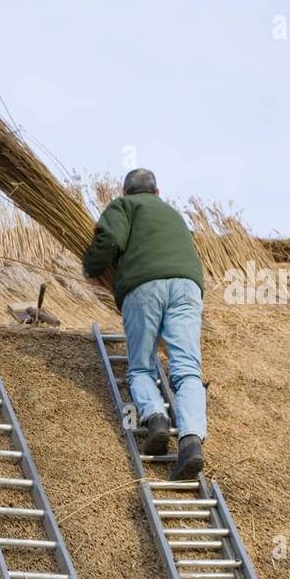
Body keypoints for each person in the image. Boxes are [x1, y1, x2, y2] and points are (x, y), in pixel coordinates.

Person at [82, 169, 207, 480]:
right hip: (187, 287)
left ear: (125, 192)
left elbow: (110, 238)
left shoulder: (123, 207)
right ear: (158, 192)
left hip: (145, 287)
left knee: (140, 368)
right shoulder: (174, 214)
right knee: (188, 371)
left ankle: (156, 419)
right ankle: (191, 441)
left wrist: (91, 267)